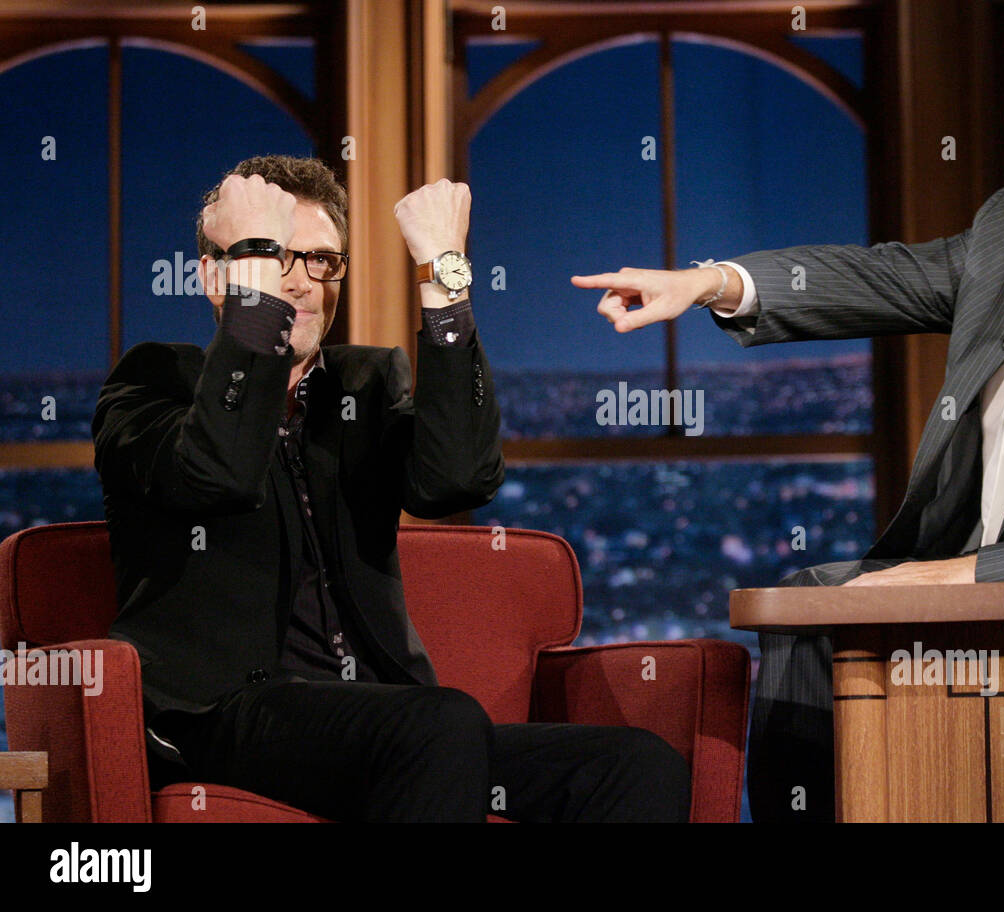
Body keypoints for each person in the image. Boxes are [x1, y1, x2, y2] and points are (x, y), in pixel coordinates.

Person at [572, 49, 1004, 822]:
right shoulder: (1003, 245)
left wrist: (956, 578)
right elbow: (880, 277)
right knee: (812, 608)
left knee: (855, 608)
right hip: (979, 595)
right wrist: (709, 282)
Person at [94, 155, 690, 822]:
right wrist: (252, 283)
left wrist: (444, 273)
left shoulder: (364, 387)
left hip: (388, 717)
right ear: (212, 277)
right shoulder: (151, 383)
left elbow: (458, 477)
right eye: (272, 258)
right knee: (438, 725)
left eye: (321, 261)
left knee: (636, 766)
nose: (301, 284)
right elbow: (219, 470)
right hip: (224, 714)